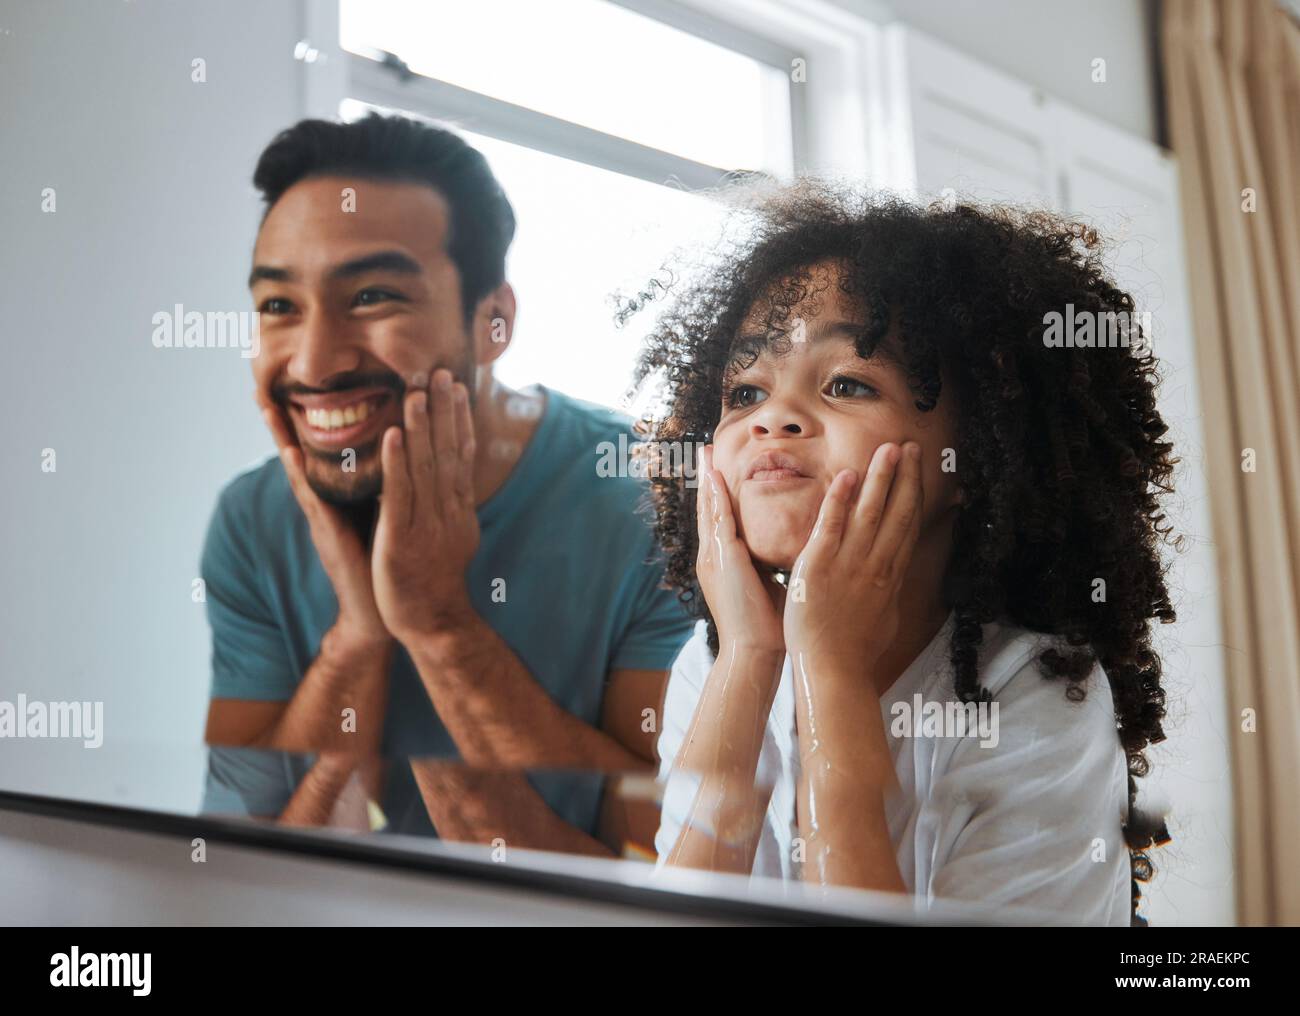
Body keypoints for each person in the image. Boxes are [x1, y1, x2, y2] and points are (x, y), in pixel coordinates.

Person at [636, 180, 1174, 925]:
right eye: (744, 392)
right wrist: (748, 660)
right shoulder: (715, 660)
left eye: (847, 382)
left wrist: (831, 671)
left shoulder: (1034, 698)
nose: (773, 419)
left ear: (976, 461)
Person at [199, 113, 695, 855]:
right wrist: (360, 634)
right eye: (279, 306)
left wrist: (437, 623)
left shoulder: (649, 491)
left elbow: (667, 863)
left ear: (493, 320)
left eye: (371, 297)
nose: (313, 364)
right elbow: (240, 872)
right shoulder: (252, 519)